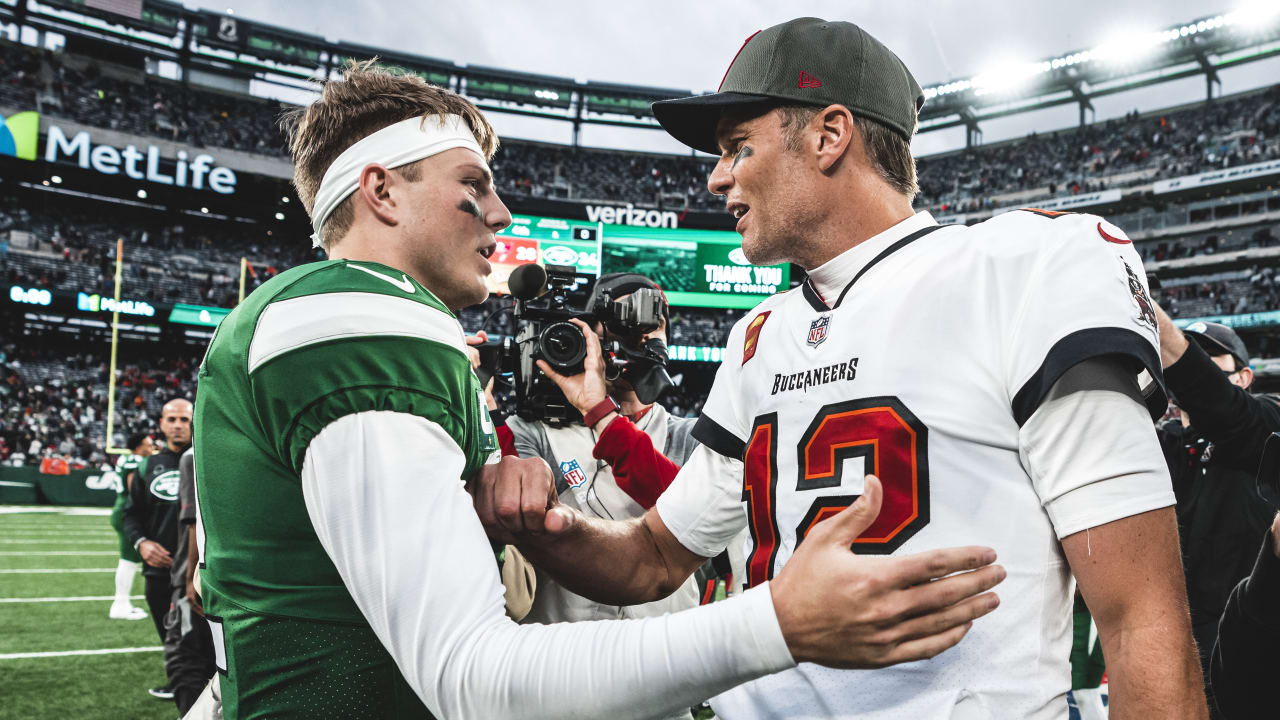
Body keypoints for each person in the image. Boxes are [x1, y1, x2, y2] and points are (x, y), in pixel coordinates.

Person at [191, 61, 1004, 720]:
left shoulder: (343, 315)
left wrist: (511, 511)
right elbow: (469, 676)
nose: (500, 213)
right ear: (381, 191)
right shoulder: (364, 318)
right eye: (473, 183)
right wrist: (777, 623)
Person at [478, 18, 1206, 719]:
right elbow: (653, 558)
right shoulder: (759, 334)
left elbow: (1141, 621)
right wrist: (539, 524)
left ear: (830, 135)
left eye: (738, 148)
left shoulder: (1019, 269)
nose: (717, 179)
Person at [1150, 307, 1280, 715]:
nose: (1200, 368)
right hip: (1177, 643)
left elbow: (1226, 411)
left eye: (1211, 360)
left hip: (1251, 645)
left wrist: (1162, 333)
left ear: (1244, 377)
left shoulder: (1267, 423)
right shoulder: (1163, 444)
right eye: (1196, 357)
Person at [121, 398, 193, 701]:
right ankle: (178, 682)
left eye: (184, 419)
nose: (178, 425)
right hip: (159, 569)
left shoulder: (207, 458)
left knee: (203, 637)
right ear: (161, 424)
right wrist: (142, 543)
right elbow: (130, 514)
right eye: (172, 419)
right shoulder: (147, 466)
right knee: (169, 635)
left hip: (199, 571)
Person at [162, 446, 215, 715]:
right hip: (233, 575)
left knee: (185, 657)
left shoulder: (193, 455)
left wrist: (187, 578)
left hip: (198, 577)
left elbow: (194, 521)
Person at [107, 430, 155, 620]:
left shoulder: (125, 458)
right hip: (127, 512)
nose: (152, 447)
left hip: (121, 508)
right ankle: (120, 605)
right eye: (148, 444)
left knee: (129, 560)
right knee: (128, 561)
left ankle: (123, 603)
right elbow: (134, 489)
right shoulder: (135, 461)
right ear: (139, 447)